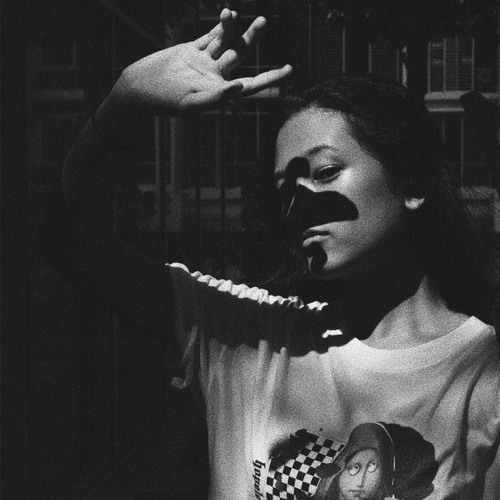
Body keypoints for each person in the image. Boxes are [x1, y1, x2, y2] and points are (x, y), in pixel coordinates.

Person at [38, 9, 500, 499]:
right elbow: (71, 245)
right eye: (285, 188)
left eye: (324, 172)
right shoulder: (246, 340)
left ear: (413, 184)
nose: (298, 200)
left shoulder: (483, 377)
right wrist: (124, 102)